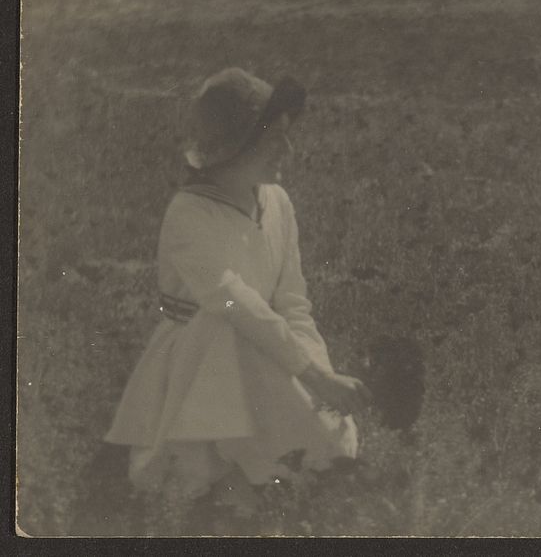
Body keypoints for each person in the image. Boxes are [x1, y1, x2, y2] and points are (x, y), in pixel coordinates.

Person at [104, 67, 371, 526]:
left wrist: (319, 375)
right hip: (199, 358)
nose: (288, 150)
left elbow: (292, 303)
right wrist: (310, 375)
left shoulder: (278, 203)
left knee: (322, 446)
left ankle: (272, 479)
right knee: (203, 485)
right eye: (274, 139)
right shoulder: (189, 213)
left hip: (268, 348)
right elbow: (232, 302)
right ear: (237, 149)